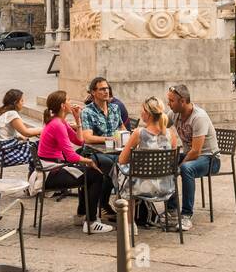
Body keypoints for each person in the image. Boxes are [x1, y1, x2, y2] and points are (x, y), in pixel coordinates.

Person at [37, 90, 112, 234]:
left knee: (89, 173)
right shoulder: (57, 125)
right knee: (96, 175)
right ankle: (91, 222)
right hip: (50, 173)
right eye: (69, 100)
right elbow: (71, 156)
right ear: (63, 105)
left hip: (53, 168)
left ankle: (82, 215)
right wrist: (89, 161)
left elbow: (79, 140)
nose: (72, 102)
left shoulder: (59, 122)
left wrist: (78, 121)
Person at [165, 83, 220, 233]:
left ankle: (186, 215)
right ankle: (171, 208)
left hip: (209, 158)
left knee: (185, 168)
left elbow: (196, 151)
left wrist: (179, 165)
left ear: (182, 101)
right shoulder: (174, 113)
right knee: (165, 162)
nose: (168, 104)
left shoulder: (199, 117)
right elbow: (159, 125)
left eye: (171, 101)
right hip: (192, 155)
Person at [116, 96, 178, 227]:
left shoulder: (139, 133)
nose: (140, 112)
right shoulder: (170, 134)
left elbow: (122, 160)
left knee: (121, 173)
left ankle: (129, 224)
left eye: (142, 110)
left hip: (142, 188)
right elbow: (172, 161)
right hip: (165, 186)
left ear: (148, 114)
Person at [79, 77, 126, 207]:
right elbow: (87, 138)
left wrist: (127, 137)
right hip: (93, 153)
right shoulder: (87, 111)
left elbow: (122, 129)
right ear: (93, 92)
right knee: (113, 166)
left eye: (107, 88)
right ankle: (104, 205)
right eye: (102, 89)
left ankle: (131, 206)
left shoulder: (115, 108)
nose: (106, 91)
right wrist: (109, 139)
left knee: (130, 162)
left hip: (115, 151)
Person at [0, 89, 41, 169]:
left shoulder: (2, 112)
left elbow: (3, 131)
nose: (23, 103)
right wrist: (44, 129)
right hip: (8, 153)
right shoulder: (11, 114)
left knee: (35, 146)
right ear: (15, 102)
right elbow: (26, 132)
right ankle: (39, 175)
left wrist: (17, 135)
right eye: (22, 101)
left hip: (1, 153)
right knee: (41, 147)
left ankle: (34, 173)